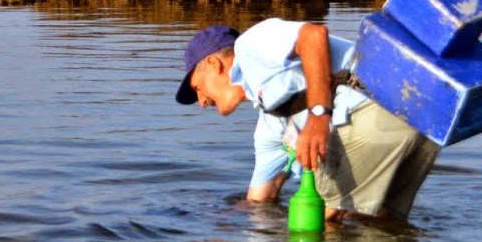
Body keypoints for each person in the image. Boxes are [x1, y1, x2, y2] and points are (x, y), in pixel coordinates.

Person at [176, 19, 440, 221]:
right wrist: (217, 223)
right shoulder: (272, 123)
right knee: (378, 223)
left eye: (198, 88)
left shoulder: (249, 46)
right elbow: (260, 200)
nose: (202, 102)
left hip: (382, 102)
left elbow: (314, 35)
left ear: (213, 64)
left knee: (317, 230)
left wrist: (317, 115)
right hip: (423, 113)